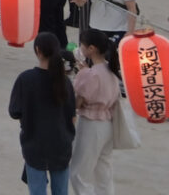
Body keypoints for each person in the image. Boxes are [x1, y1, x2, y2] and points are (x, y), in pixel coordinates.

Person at [8, 32, 76, 195]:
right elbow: (72, 115)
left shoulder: (26, 79)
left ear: (38, 50)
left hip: (35, 143)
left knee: (37, 190)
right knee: (61, 191)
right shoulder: (65, 81)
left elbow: (14, 111)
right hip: (61, 144)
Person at [70, 29, 121, 194]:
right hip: (108, 123)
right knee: (103, 172)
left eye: (83, 45)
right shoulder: (111, 70)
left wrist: (82, 74)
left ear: (91, 49)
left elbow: (78, 103)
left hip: (91, 123)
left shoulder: (90, 75)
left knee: (79, 173)